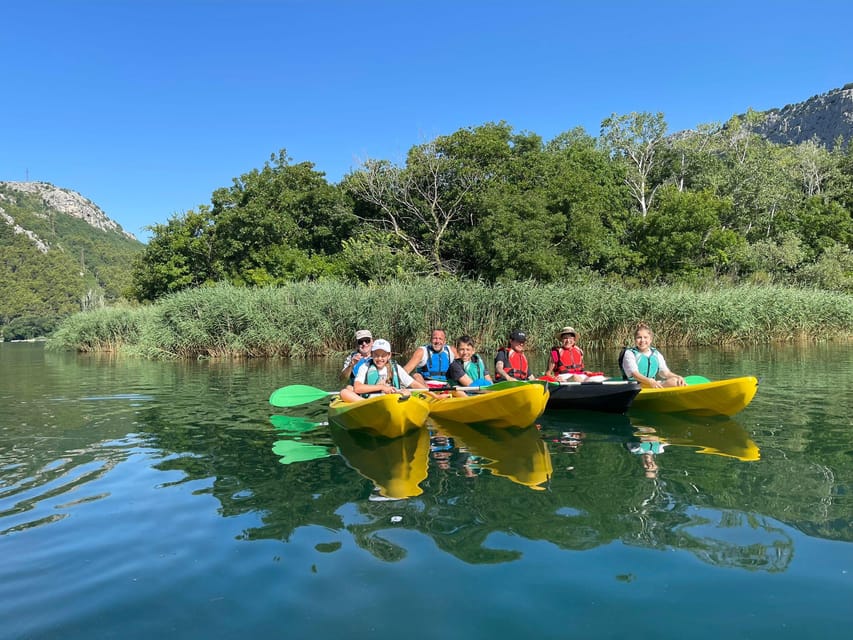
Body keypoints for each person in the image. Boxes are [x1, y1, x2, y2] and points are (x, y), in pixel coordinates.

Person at [339, 339, 428, 402]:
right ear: (372, 354)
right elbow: (358, 388)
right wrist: (382, 387)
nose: (379, 358)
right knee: (345, 391)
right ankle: (364, 404)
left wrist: (430, 393)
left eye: (383, 355)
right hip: (369, 402)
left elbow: (414, 384)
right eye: (376, 355)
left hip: (392, 400)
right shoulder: (365, 367)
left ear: (389, 355)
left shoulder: (396, 368)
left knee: (406, 392)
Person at [619, 323, 686, 388]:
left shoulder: (656, 354)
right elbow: (635, 374)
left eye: (645, 337)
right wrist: (649, 381)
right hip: (633, 386)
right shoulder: (629, 353)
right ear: (635, 339)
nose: (642, 340)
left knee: (676, 380)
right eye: (639, 337)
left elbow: (665, 373)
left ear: (650, 340)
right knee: (674, 382)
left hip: (651, 384)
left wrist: (677, 377)